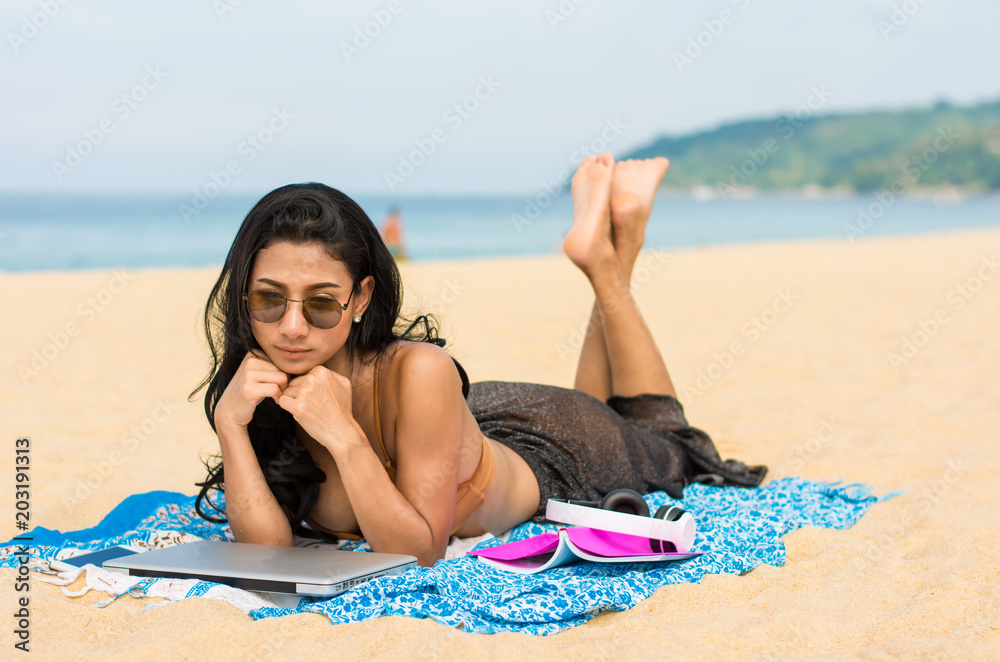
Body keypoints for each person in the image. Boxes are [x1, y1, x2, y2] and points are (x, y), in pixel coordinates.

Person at [192, 154, 766, 567]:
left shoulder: (419, 372)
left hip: (561, 455)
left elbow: (419, 551)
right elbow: (264, 552)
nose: (291, 327)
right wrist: (231, 427)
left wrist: (344, 438)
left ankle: (611, 257)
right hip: (466, 430)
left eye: (321, 304)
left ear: (361, 298)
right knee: (608, 406)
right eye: (270, 299)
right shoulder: (255, 384)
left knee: (661, 435)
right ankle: (609, 248)